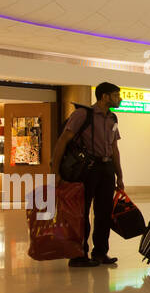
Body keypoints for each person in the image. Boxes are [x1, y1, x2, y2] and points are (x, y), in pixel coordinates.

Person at [52, 82, 125, 268]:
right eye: (116, 95)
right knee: (81, 213)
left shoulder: (113, 118)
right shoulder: (82, 114)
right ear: (104, 96)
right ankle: (78, 254)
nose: (120, 98)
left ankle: (100, 252)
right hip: (86, 169)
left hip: (106, 168)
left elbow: (114, 148)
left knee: (104, 213)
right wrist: (55, 172)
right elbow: (62, 141)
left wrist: (119, 175)